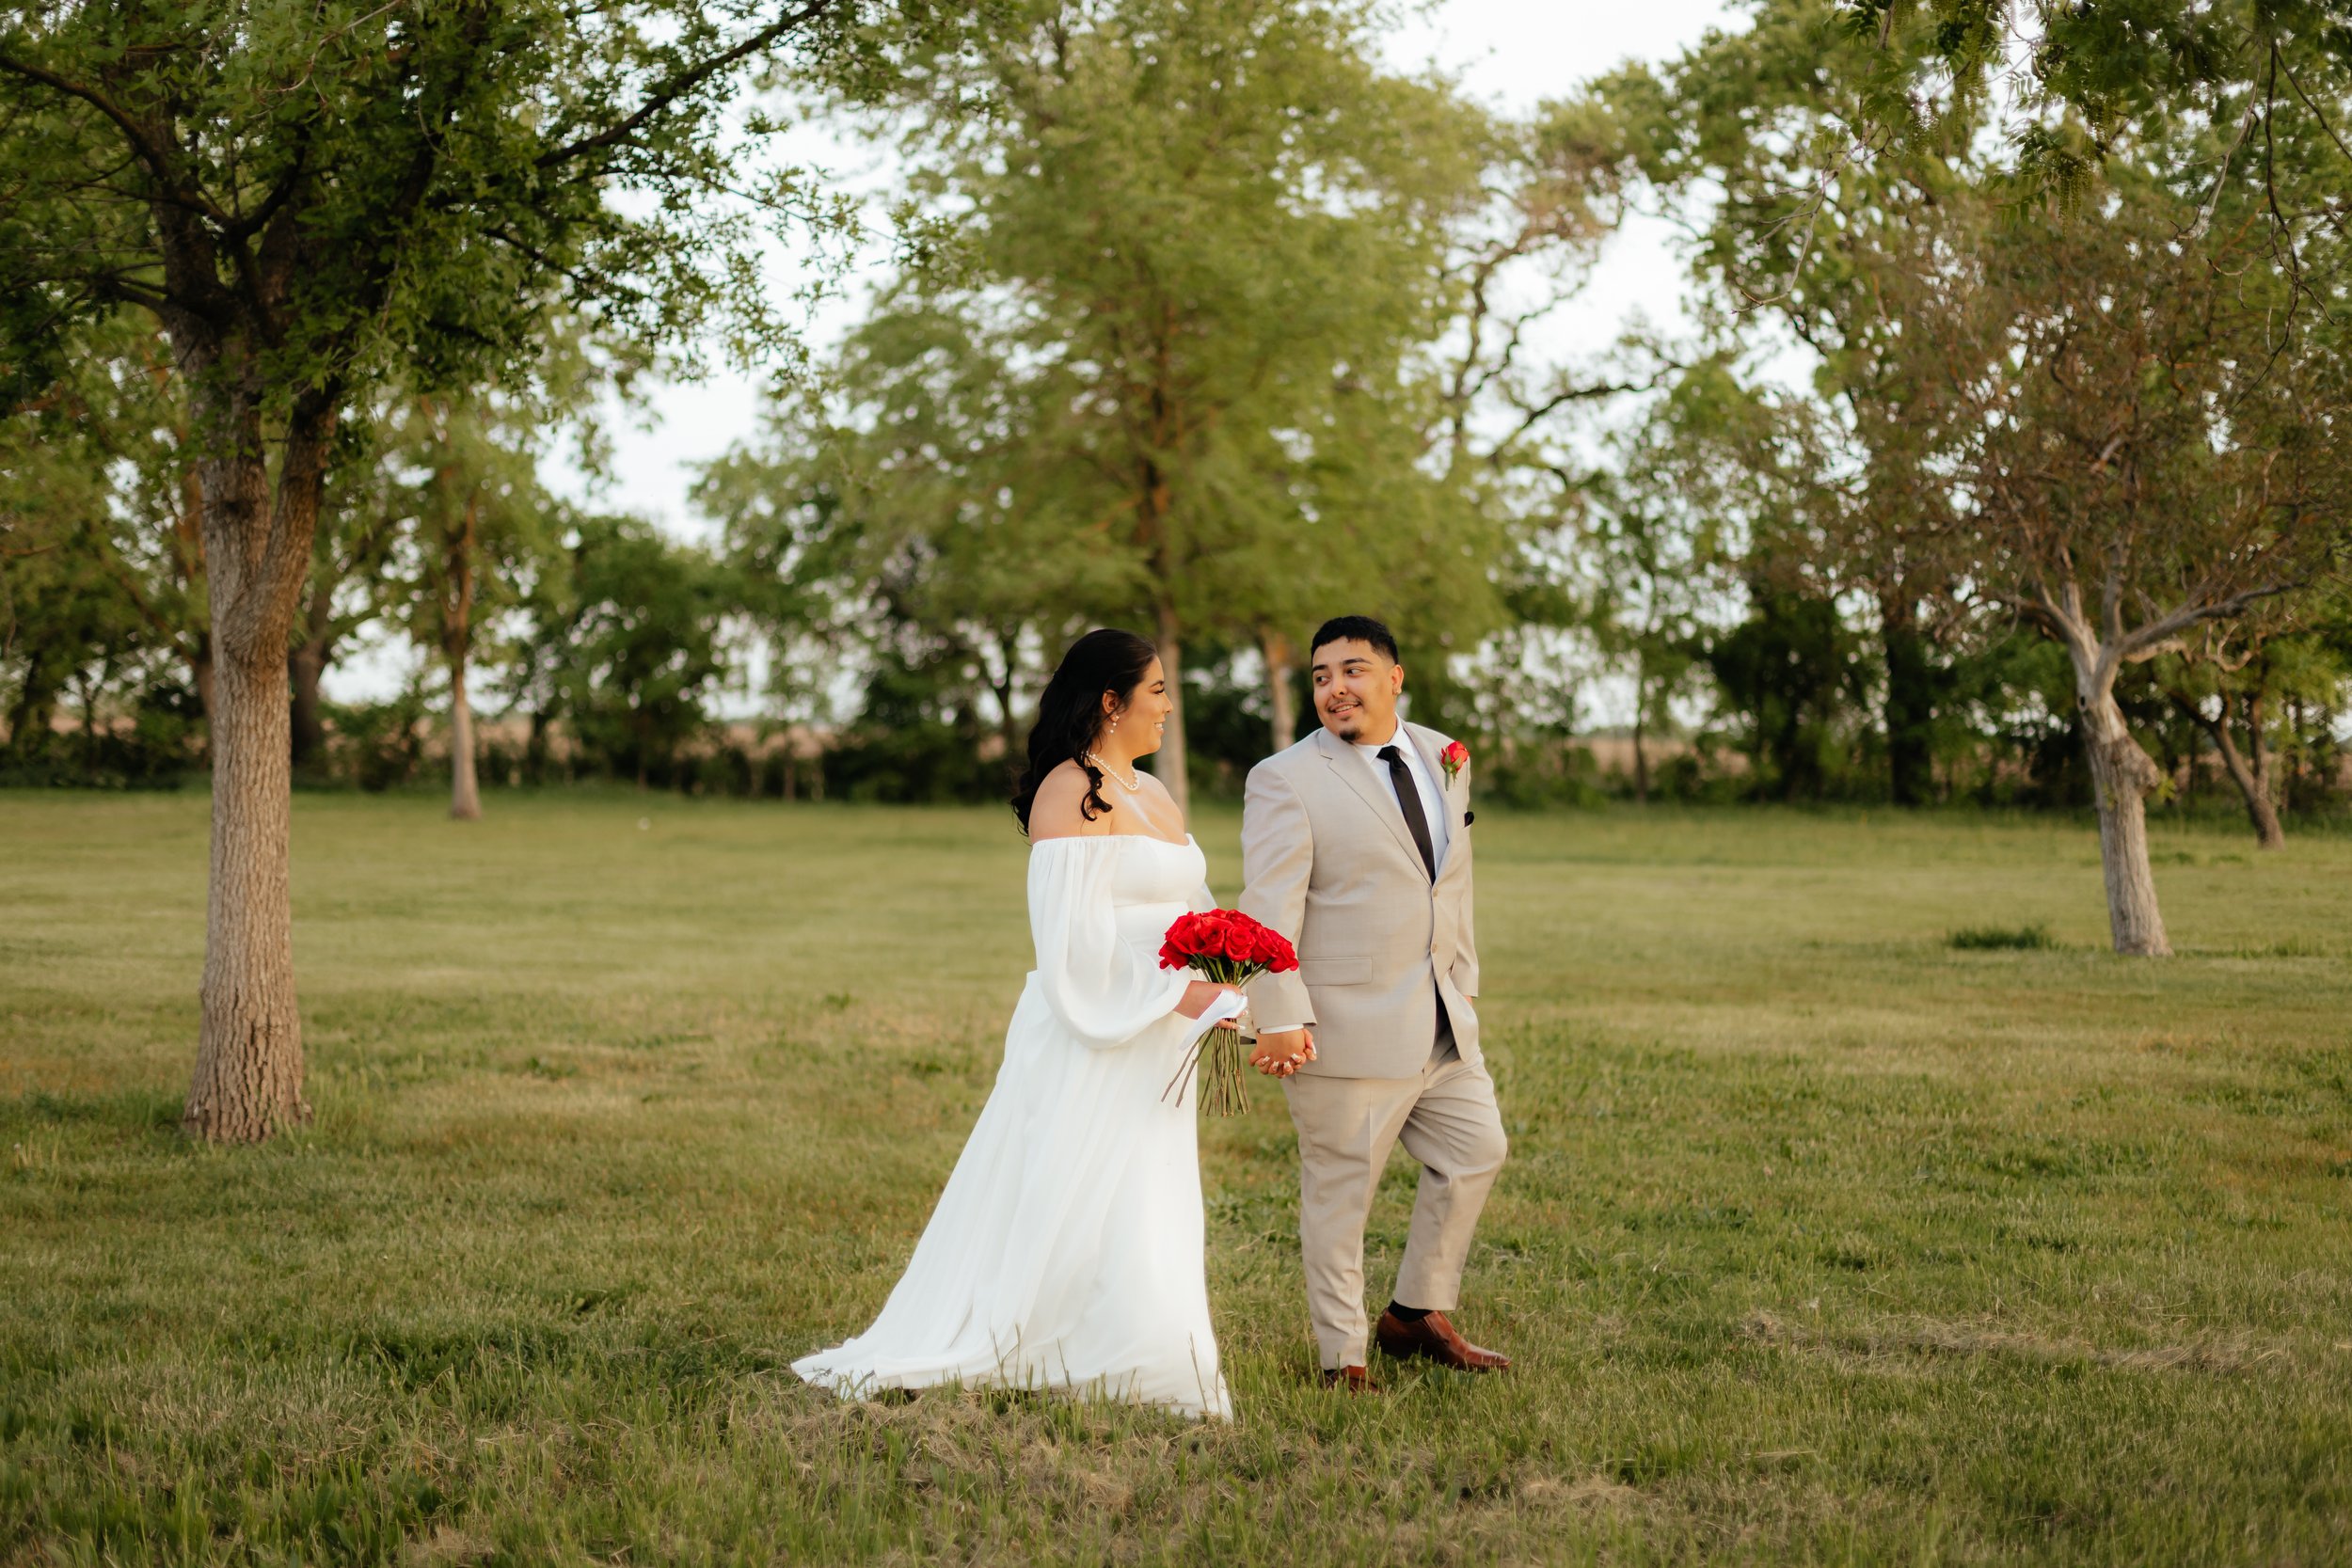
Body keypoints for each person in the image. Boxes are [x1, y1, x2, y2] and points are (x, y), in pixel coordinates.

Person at [793, 628, 1247, 1419]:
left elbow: (1195, 909)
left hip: (1160, 1027)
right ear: (1112, 701)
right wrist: (1174, 996)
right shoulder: (1071, 790)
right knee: (1059, 1189)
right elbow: (1072, 944)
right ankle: (1036, 1336)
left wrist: (1235, 984)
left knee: (1145, 1190)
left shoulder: (1153, 792)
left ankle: (1146, 1343)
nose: (1170, 706)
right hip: (1094, 1022)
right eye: (1158, 690)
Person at [1239, 614, 1511, 1391]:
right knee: (1341, 1197)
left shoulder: (1443, 755)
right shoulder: (1286, 778)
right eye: (1321, 675)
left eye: (1353, 670)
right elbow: (1267, 909)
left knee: (1475, 1150)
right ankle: (1341, 1358)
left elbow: (1447, 881)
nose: (1335, 687)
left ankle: (1416, 1313)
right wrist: (1281, 1012)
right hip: (1347, 1028)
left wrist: (1461, 981)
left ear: (1395, 677)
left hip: (1442, 1018)